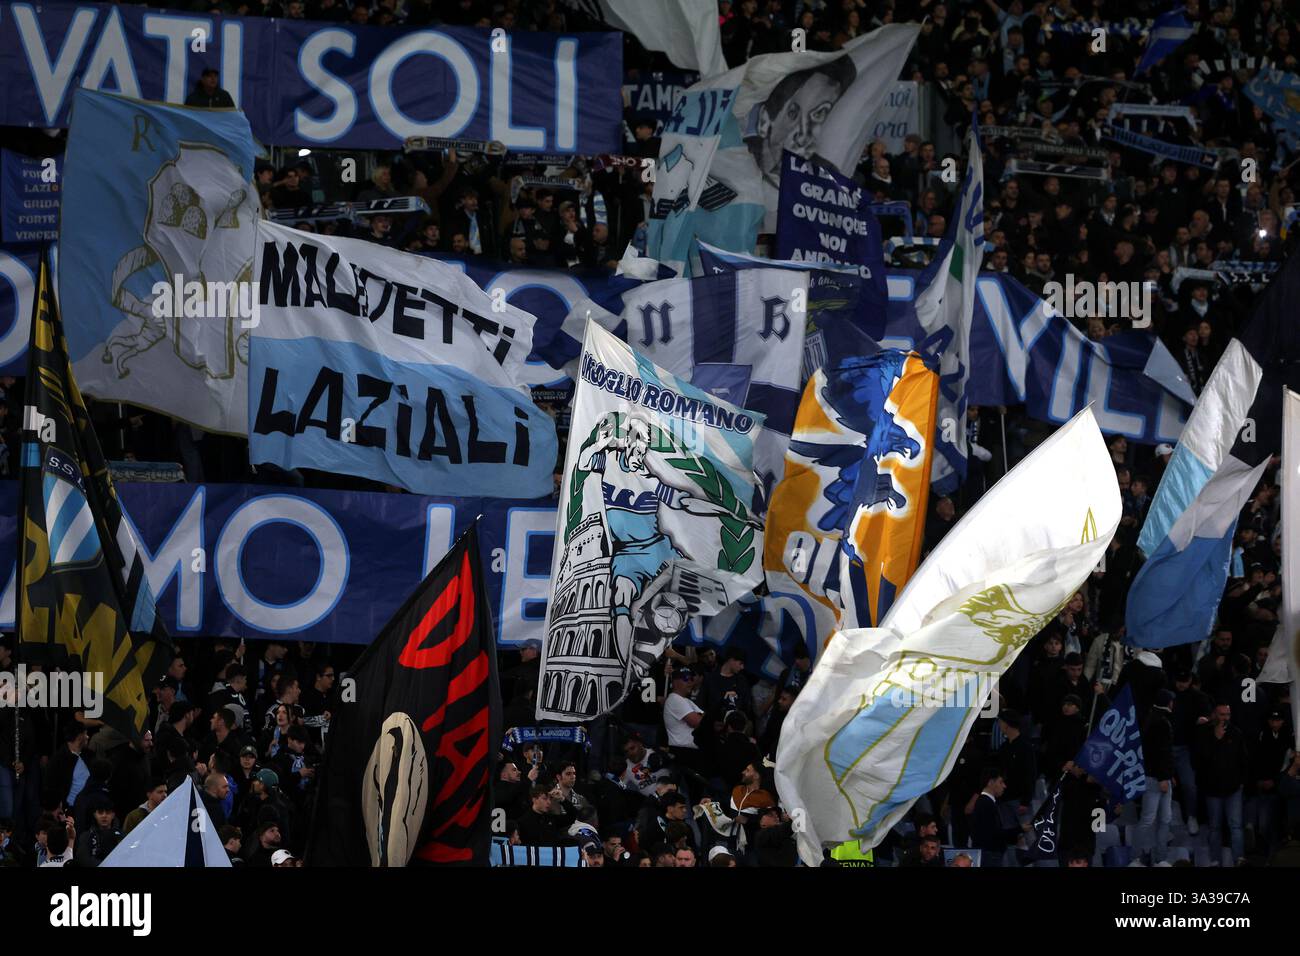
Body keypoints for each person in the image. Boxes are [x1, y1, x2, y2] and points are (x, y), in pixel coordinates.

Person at [1195, 702, 1250, 864]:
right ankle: (1215, 861)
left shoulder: (1236, 733)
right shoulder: (1204, 733)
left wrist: (1241, 782)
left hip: (1233, 788)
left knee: (1235, 826)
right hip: (1212, 789)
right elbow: (1199, 761)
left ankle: (1239, 860)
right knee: (1215, 827)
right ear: (1214, 715)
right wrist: (1216, 739)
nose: (1225, 718)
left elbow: (1244, 760)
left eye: (1227, 715)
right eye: (1222, 715)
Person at [1137, 689, 1176, 864]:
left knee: (1164, 819)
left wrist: (1169, 775)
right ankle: (1140, 858)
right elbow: (1160, 753)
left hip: (1158, 776)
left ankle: (1157, 858)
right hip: (1156, 778)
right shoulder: (1161, 723)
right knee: (1150, 819)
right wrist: (1163, 777)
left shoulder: (1152, 719)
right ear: (1168, 703)